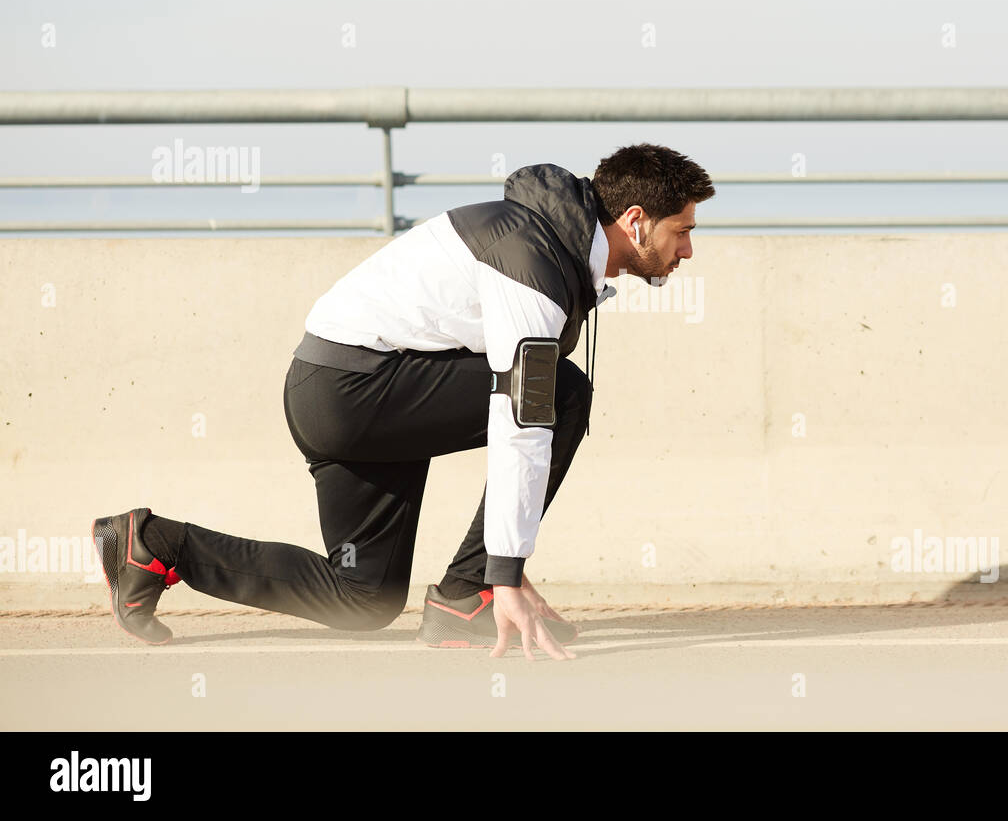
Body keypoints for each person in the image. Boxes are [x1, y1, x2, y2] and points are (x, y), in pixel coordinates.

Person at [92, 143, 714, 661]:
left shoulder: (546, 246)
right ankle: (469, 595)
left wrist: (507, 557)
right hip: (355, 391)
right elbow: (521, 419)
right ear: (635, 221)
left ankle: (155, 545)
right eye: (682, 230)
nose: (687, 250)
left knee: (362, 598)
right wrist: (502, 567)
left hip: (350, 392)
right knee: (559, 396)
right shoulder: (533, 260)